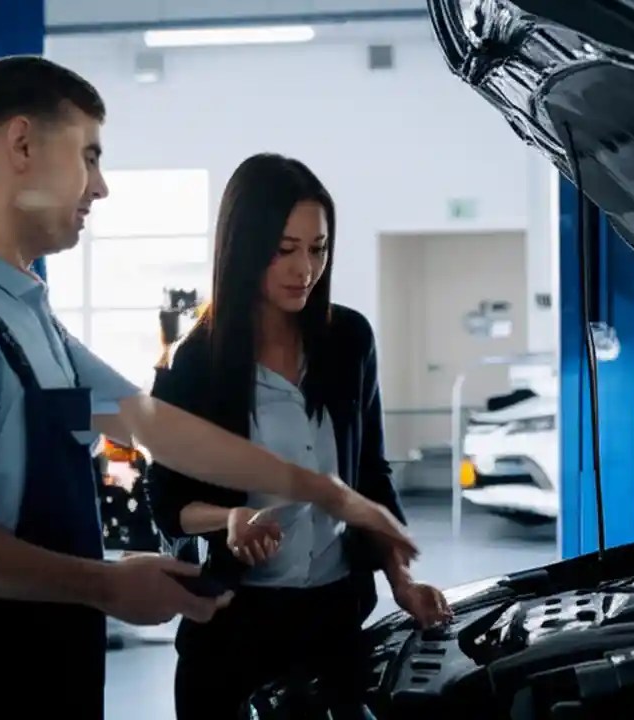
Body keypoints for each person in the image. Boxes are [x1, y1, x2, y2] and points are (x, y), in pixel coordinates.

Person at [0, 57, 416, 720]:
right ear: (22, 144)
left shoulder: (25, 315)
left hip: (49, 676)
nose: (101, 186)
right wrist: (108, 586)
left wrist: (332, 494)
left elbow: (154, 425)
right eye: (89, 156)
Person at [145, 153, 452, 720]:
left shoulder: (349, 341)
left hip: (335, 625)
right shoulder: (196, 363)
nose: (303, 269)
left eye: (318, 248)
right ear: (243, 247)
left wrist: (401, 581)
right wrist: (227, 519)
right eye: (285, 250)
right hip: (233, 632)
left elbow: (370, 475)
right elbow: (164, 501)